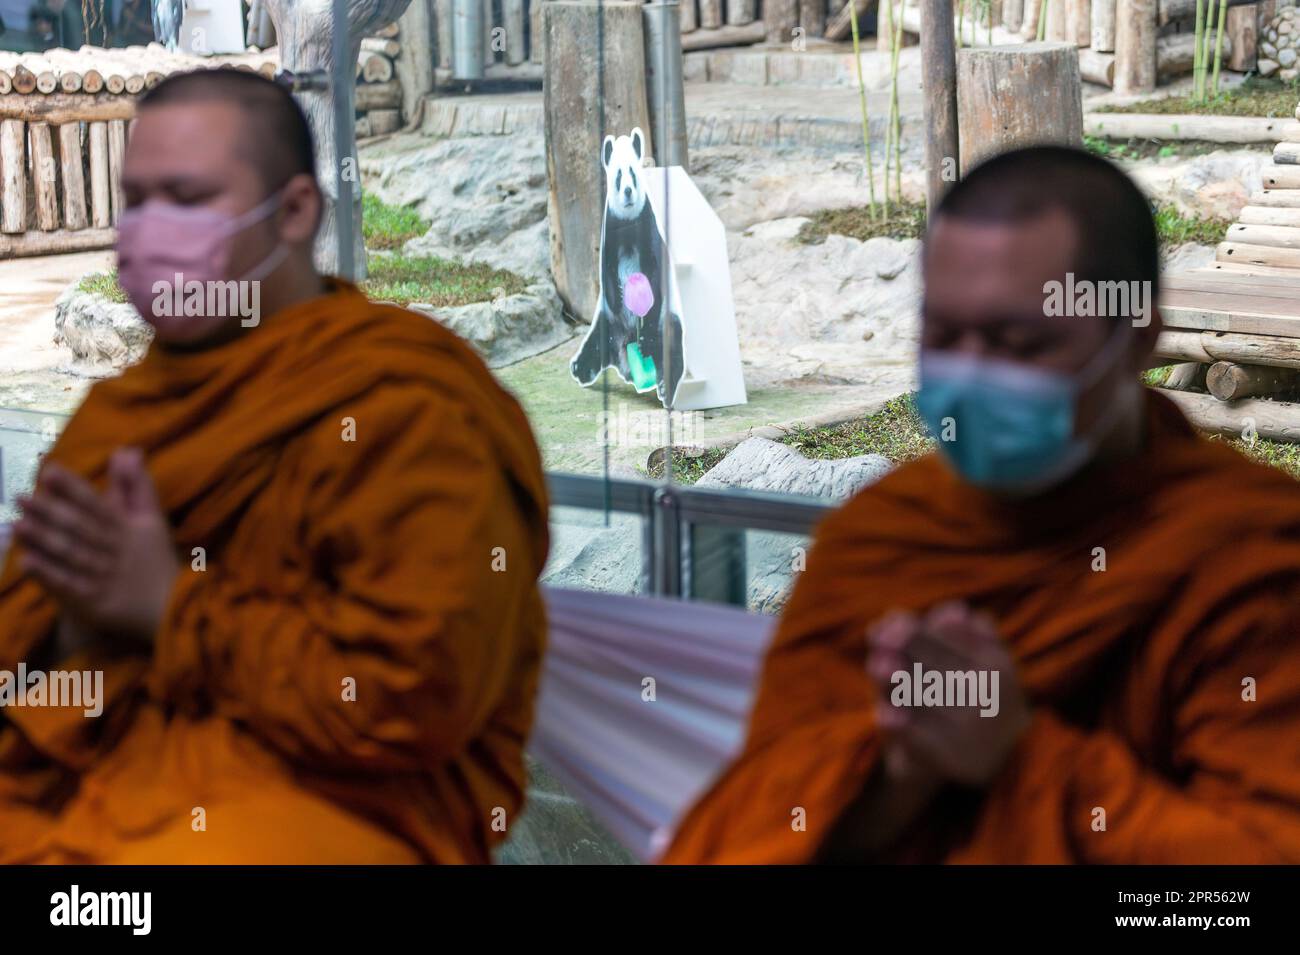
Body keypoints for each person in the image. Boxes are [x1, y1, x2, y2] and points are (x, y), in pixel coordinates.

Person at [663, 146, 1300, 864]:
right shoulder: (883, 535)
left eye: (1016, 341)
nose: (968, 374)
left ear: (1136, 339)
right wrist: (890, 777)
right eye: (943, 335)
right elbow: (754, 822)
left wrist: (1022, 755)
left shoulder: (1248, 551)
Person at [0, 69, 550, 863]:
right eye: (138, 199)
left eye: (186, 199)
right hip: (105, 777)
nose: (149, 230)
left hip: (332, 808)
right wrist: (75, 622)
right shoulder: (125, 410)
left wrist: (167, 607)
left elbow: (416, 694)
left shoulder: (405, 405)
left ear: (294, 211)